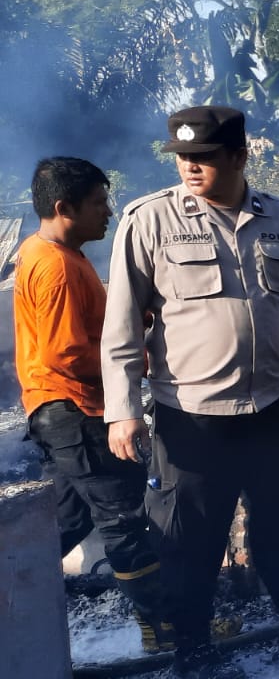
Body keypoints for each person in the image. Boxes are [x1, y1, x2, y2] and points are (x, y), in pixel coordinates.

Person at [102, 106, 279, 679]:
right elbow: (121, 328)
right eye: (183, 156)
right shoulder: (149, 221)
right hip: (191, 413)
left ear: (239, 157)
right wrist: (123, 410)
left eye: (205, 157)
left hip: (274, 407)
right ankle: (193, 649)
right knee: (189, 539)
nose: (190, 166)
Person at [15, 157, 173, 651]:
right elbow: (65, 353)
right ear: (65, 207)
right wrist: (137, 361)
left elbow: (81, 327)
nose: (108, 211)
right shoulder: (59, 266)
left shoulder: (46, 251)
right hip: (77, 409)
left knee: (68, 518)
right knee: (124, 518)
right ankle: (164, 628)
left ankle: (13, 593)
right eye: (99, 203)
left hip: (54, 409)